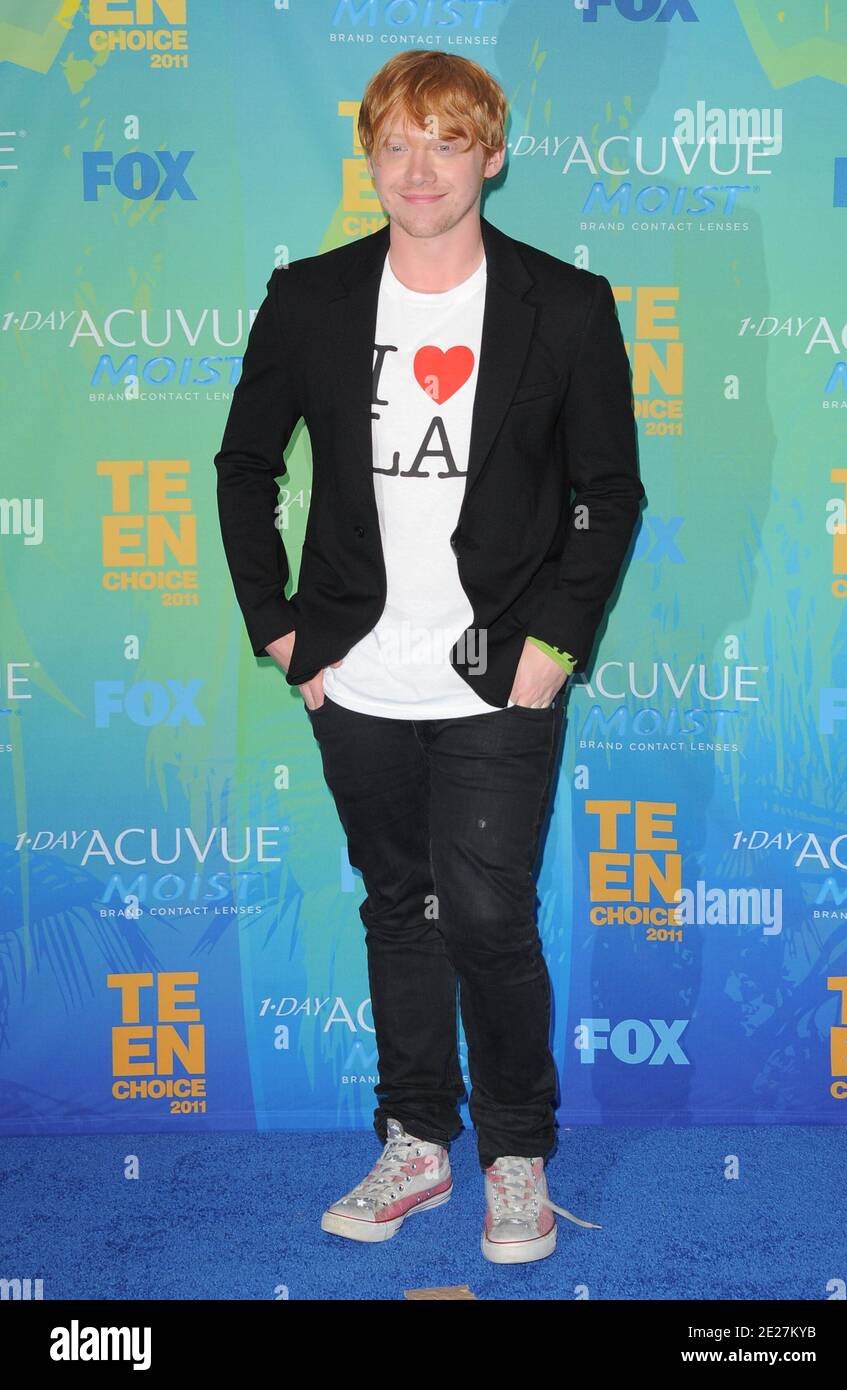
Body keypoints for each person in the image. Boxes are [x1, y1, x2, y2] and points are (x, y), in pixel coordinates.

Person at [214, 48, 645, 1265]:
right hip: (352, 666)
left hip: (499, 666)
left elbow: (607, 494)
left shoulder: (564, 304)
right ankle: (416, 1139)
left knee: (490, 916)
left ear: (489, 155)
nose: (418, 169)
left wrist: (557, 642)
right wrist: (281, 628)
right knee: (395, 907)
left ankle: (516, 1155)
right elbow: (244, 467)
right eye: (396, 145)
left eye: (445, 143)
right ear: (369, 160)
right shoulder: (310, 298)